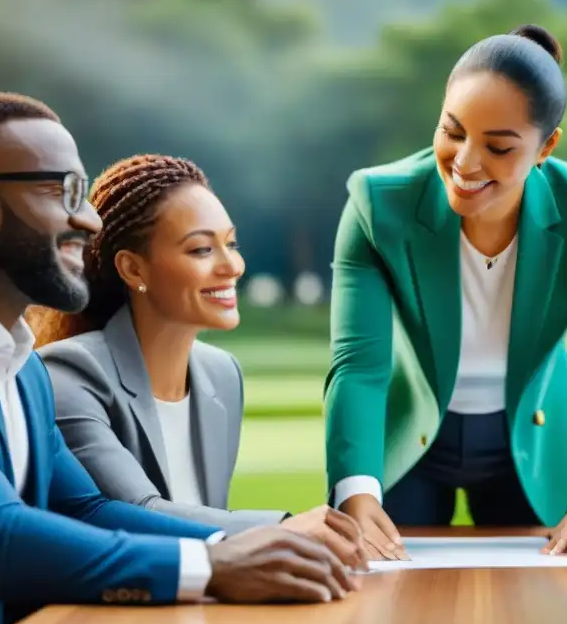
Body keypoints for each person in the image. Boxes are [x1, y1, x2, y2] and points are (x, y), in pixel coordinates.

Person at [0, 93, 358, 624]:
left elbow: (90, 508)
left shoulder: (23, 372)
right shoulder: (49, 371)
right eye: (64, 193)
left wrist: (238, 543)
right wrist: (209, 564)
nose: (90, 218)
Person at [325, 24, 567, 560]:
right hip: (407, 440)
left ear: (547, 147)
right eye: (453, 131)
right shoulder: (377, 204)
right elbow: (359, 364)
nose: (466, 163)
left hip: (537, 441)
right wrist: (356, 489)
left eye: (498, 147)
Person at [26, 154, 365, 562]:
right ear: (133, 269)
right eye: (202, 249)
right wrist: (282, 527)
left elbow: (209, 522)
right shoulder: (69, 374)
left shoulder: (222, 374)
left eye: (231, 243)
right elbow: (133, 514)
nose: (233, 265)